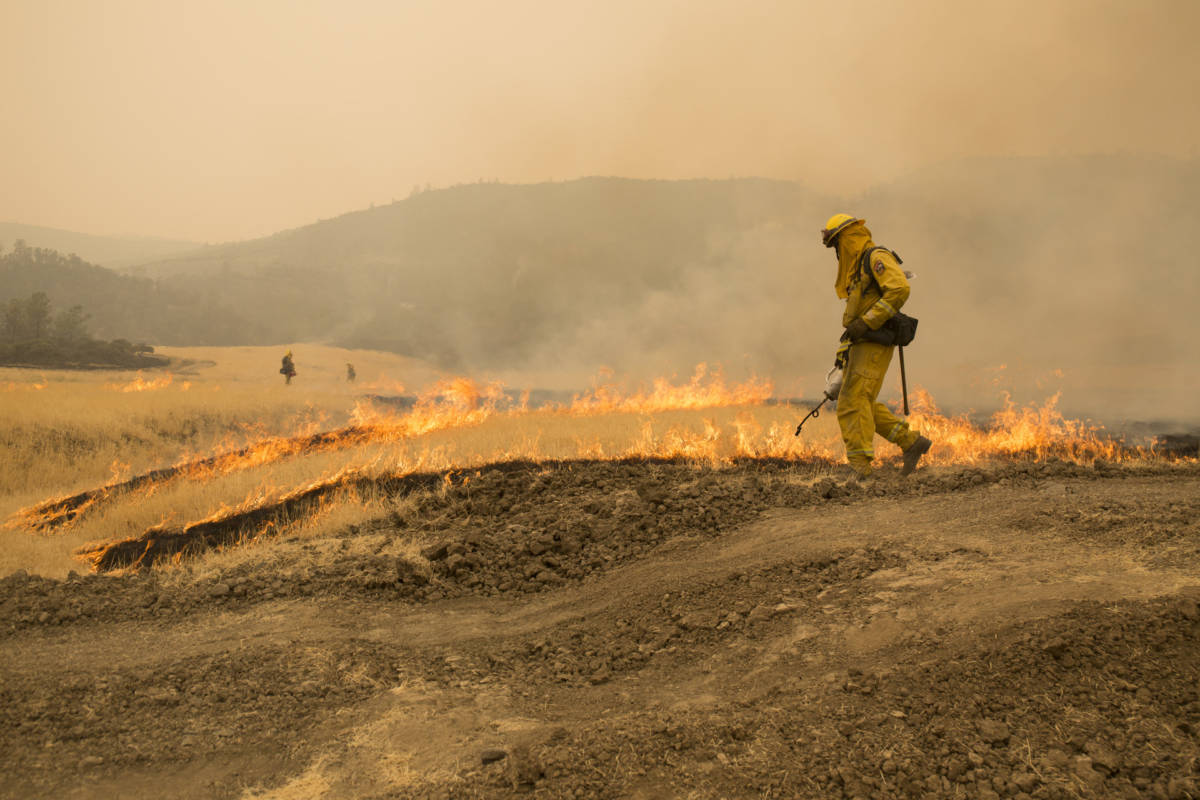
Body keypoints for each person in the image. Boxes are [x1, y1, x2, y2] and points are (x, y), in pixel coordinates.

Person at [821, 213, 931, 479]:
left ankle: (860, 468)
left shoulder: (874, 258)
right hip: (863, 343)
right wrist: (844, 352)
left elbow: (899, 289)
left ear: (847, 238)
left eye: (837, 244)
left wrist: (868, 322)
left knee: (851, 403)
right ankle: (911, 442)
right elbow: (856, 317)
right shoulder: (858, 268)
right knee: (864, 402)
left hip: (874, 342)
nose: (837, 251)